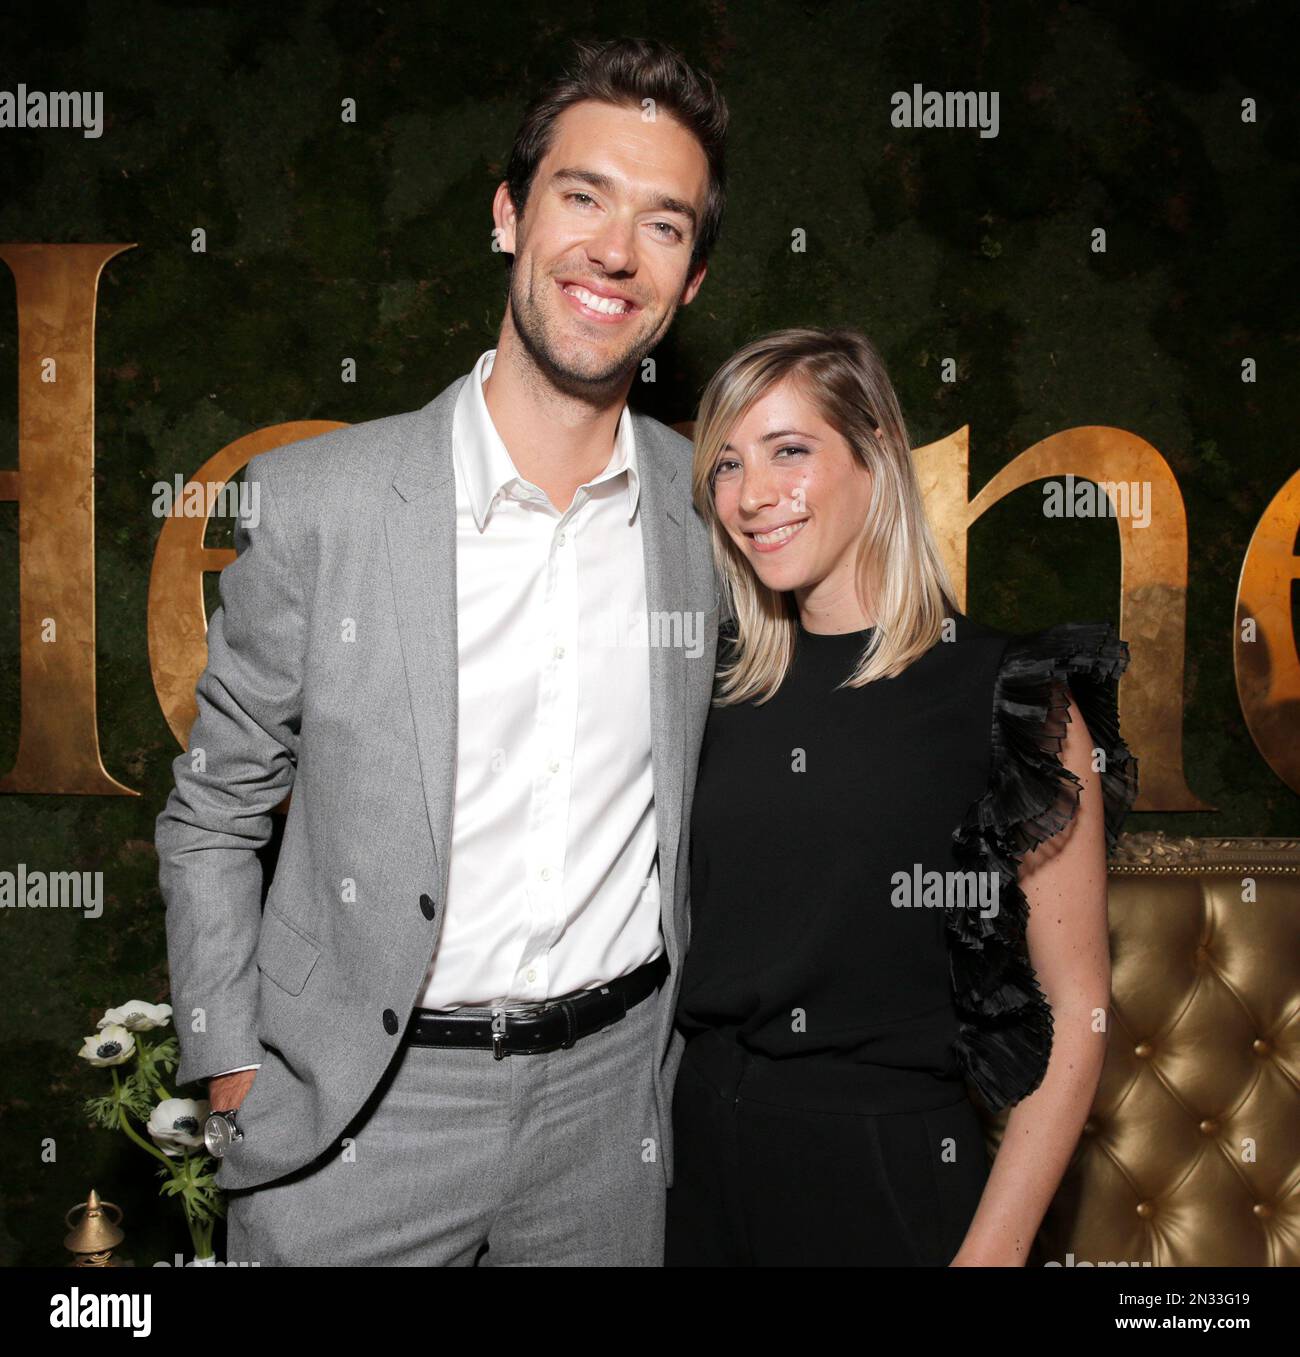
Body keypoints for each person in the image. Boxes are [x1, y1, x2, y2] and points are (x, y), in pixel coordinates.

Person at [156, 37, 729, 1266]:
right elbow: (212, 812)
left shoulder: (709, 515)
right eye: (581, 195)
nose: (614, 252)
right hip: (360, 1114)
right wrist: (228, 1064)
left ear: (686, 284)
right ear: (508, 215)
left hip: (609, 1110)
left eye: (663, 225)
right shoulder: (322, 502)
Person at [665, 327, 1140, 1267]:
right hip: (691, 1166)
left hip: (883, 1174)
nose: (752, 495)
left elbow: (1079, 1000)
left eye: (789, 450)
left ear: (877, 452)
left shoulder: (1011, 697)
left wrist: (994, 1252)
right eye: (725, 464)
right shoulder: (704, 686)